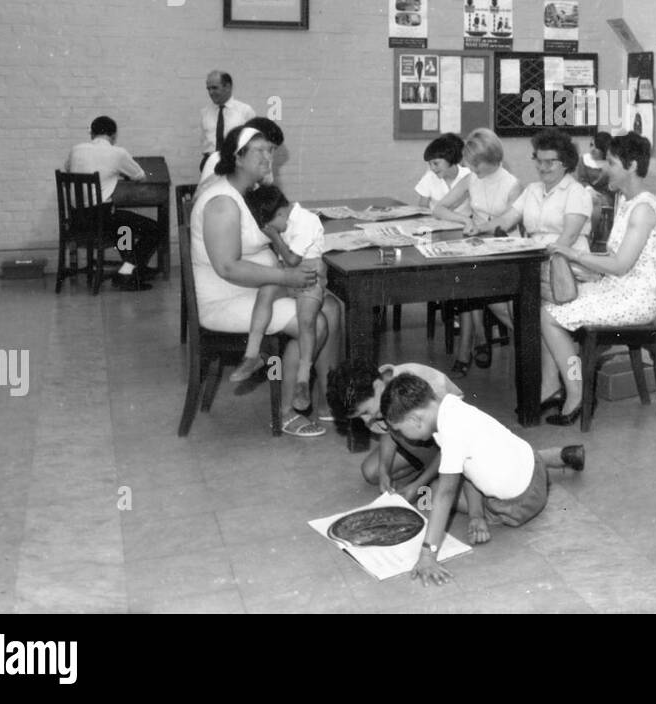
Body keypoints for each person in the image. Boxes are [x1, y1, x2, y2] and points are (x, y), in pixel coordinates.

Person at [191, 125, 341, 436]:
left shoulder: (249, 191)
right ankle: (286, 413)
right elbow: (228, 268)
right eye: (259, 151)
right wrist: (286, 274)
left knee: (331, 307)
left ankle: (326, 402)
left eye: (270, 150)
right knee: (312, 323)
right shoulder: (222, 202)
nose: (268, 157)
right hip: (227, 298)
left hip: (259, 289)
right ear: (238, 157)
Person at [380, 373, 585, 586]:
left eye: (400, 430)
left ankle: (480, 512)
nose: (402, 436)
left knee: (435, 491)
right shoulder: (452, 405)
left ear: (414, 419)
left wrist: (427, 555)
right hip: (533, 465)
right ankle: (557, 455)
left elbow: (446, 494)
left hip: (521, 504)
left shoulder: (450, 433)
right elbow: (470, 467)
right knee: (474, 461)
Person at [541, 132, 656, 425]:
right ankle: (559, 386)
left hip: (635, 301)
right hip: (617, 290)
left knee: (549, 316)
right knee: (550, 304)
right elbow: (617, 261)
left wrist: (574, 256)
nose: (604, 169)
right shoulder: (626, 201)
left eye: (611, 163)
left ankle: (575, 394)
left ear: (632, 165)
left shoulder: (643, 209)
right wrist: (584, 267)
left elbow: (621, 264)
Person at [487, 128, 592, 380]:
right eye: (538, 160)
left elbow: (565, 240)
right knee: (497, 300)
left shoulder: (577, 193)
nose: (542, 167)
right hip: (537, 267)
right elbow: (506, 219)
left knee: (527, 308)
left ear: (565, 163)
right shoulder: (533, 190)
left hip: (566, 270)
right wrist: (476, 228)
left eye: (549, 162)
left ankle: (561, 380)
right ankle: (551, 378)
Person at [431, 128, 522, 378]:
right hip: (479, 247)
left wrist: (479, 227)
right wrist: (464, 220)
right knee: (467, 285)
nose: (472, 168)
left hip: (504, 249)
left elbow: (507, 223)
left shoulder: (512, 184)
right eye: (470, 163)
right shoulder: (472, 178)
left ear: (492, 159)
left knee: (476, 293)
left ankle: (471, 348)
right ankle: (477, 342)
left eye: (476, 163)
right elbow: (440, 208)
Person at [237, 186, 326, 414]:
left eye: (270, 225)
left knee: (307, 320)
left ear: (280, 214)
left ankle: (303, 379)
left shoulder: (307, 221)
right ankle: (252, 354)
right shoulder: (283, 220)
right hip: (287, 272)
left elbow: (294, 259)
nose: (269, 230)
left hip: (308, 274)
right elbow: (285, 263)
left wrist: (274, 236)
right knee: (265, 292)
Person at [325, 357, 462, 501]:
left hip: (453, 443)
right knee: (371, 472)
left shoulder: (416, 381)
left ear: (378, 386)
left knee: (441, 494)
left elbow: (453, 444)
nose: (367, 419)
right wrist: (385, 472)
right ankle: (426, 468)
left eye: (365, 412)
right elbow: (388, 432)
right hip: (418, 441)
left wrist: (420, 484)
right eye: (360, 416)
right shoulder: (376, 395)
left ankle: (431, 474)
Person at [65, 115, 161, 291]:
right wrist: (118, 173)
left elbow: (67, 169)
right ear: (114, 135)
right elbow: (140, 177)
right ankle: (128, 272)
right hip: (101, 220)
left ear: (91, 134)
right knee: (153, 229)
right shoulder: (118, 153)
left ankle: (130, 268)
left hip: (77, 221)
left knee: (124, 228)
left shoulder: (76, 150)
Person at [196, 115, 284, 196]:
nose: (270, 155)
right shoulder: (217, 159)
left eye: (273, 150)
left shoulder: (262, 163)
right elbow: (203, 195)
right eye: (269, 149)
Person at [200, 71, 253, 172]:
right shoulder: (205, 113)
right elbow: (204, 141)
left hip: (236, 164)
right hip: (210, 164)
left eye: (214, 88)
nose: (210, 92)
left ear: (227, 87)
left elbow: (253, 142)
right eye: (208, 89)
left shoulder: (245, 111)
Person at [413, 133, 471, 213]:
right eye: (430, 164)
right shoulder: (429, 177)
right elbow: (423, 208)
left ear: (450, 159)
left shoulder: (469, 176)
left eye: (436, 163)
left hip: (464, 222)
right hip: (436, 222)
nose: (432, 168)